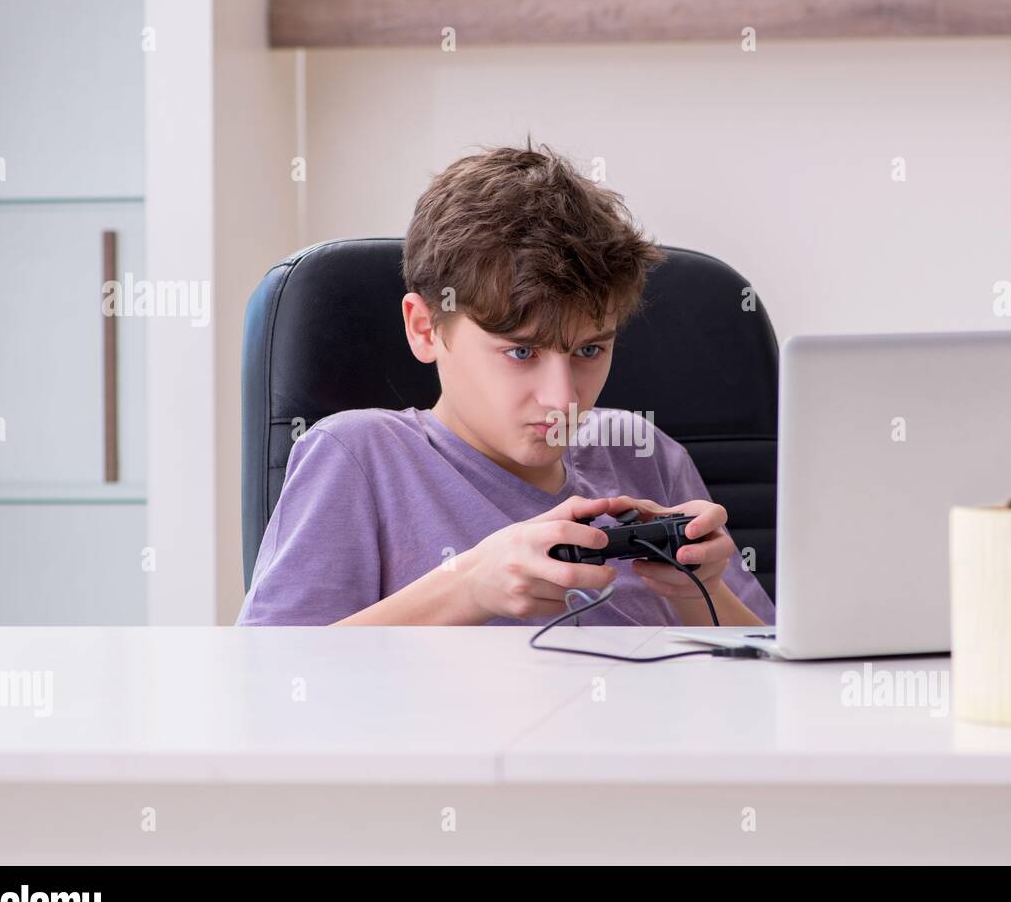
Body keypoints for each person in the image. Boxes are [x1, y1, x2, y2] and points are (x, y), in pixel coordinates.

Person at [236, 141, 775, 627]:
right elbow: (269, 687)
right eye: (521, 352)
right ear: (425, 328)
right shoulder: (358, 457)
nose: (562, 400)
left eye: (589, 350)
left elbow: (773, 683)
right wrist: (468, 588)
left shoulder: (643, 455)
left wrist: (696, 595)